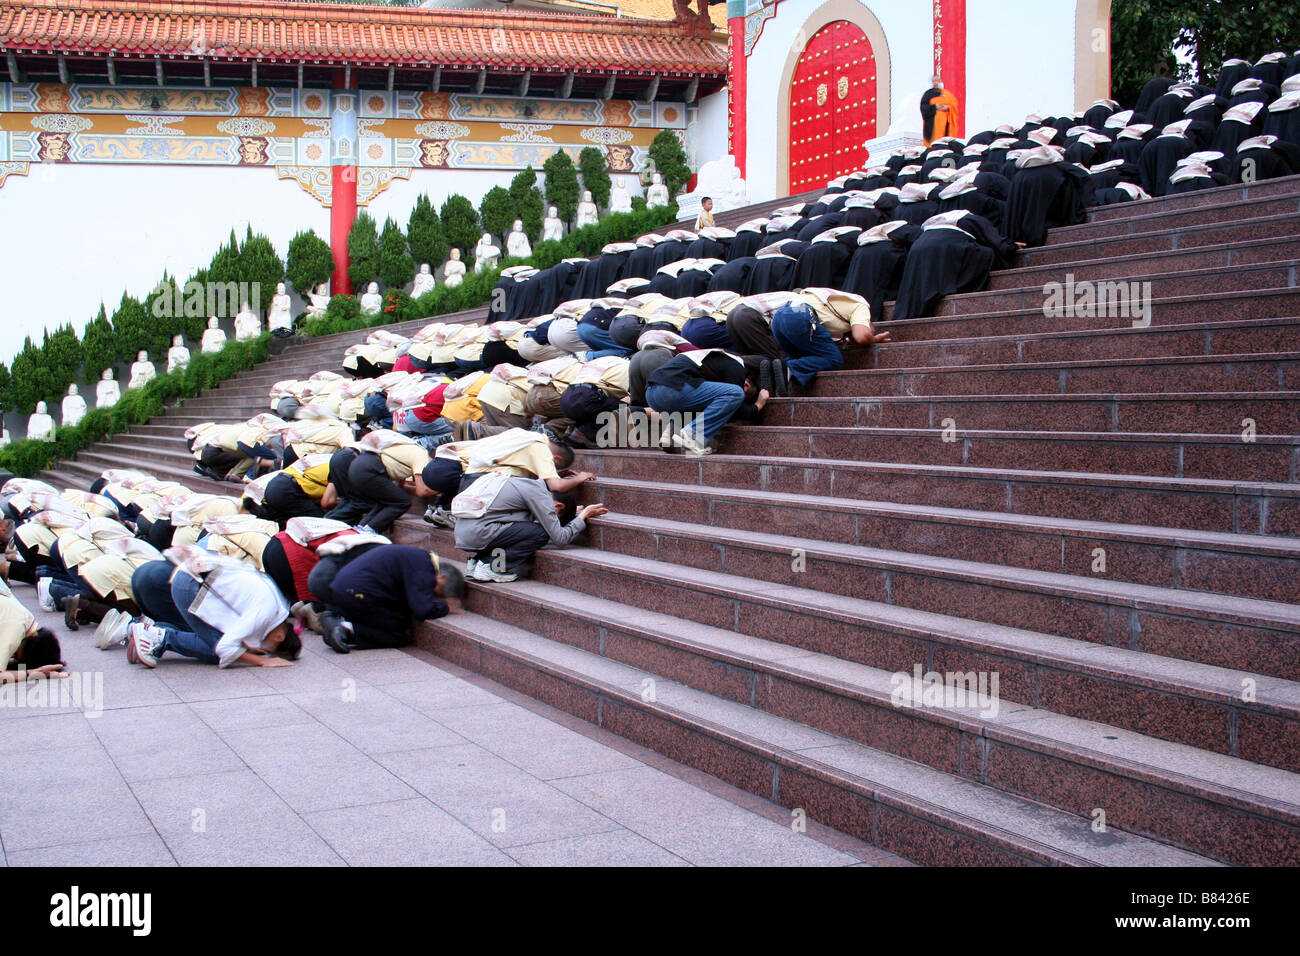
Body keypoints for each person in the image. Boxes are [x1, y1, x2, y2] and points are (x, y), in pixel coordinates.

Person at [120, 554, 298, 669]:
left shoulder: (280, 607)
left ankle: (136, 627)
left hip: (197, 575)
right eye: (270, 649)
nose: (264, 648)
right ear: (279, 637)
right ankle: (158, 636)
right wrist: (262, 662)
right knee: (214, 649)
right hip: (191, 583)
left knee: (210, 637)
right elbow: (224, 648)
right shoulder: (265, 613)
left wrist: (247, 649)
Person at [314, 544, 465, 653]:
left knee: (395, 617)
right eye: (436, 593)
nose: (433, 596)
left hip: (346, 590)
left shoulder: (416, 557)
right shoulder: (424, 566)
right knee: (398, 634)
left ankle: (338, 624)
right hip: (359, 594)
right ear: (441, 577)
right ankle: (345, 629)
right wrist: (445, 607)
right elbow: (422, 609)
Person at [453, 476, 606, 582]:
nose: (550, 518)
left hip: (465, 532)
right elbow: (560, 538)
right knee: (540, 532)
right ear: (558, 505)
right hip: (478, 533)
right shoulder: (541, 495)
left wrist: (572, 511)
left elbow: (515, 522)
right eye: (555, 516)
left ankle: (476, 563)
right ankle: (491, 566)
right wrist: (583, 515)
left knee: (518, 530)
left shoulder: (525, 484)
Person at [645, 348, 768, 456]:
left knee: (702, 401)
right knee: (735, 393)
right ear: (746, 385)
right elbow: (736, 411)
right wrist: (758, 405)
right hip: (673, 390)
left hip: (652, 393)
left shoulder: (716, 358)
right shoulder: (737, 367)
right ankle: (692, 436)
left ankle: (669, 435)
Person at [921, 74, 961, 146]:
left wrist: (948, 107)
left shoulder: (947, 94)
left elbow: (954, 105)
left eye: (937, 80)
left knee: (944, 144)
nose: (936, 82)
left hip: (945, 127)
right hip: (932, 126)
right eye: (934, 81)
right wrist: (934, 106)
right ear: (932, 82)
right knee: (933, 144)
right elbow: (923, 107)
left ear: (940, 81)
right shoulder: (927, 94)